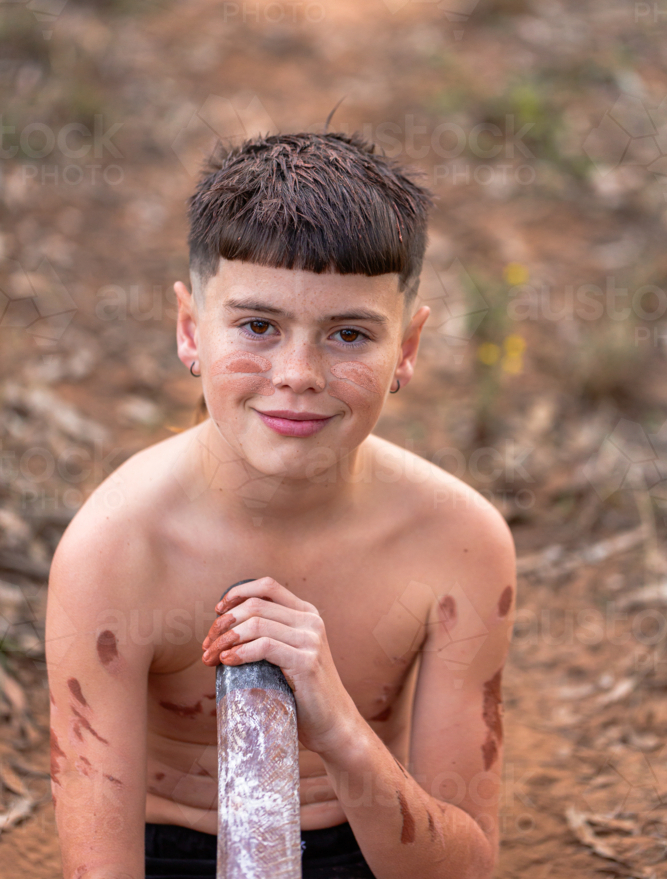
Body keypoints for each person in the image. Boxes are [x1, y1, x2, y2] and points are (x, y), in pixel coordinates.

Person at [46, 132, 516, 879]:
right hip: (172, 849)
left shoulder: (458, 542)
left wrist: (337, 727)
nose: (297, 374)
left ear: (407, 347)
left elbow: (462, 867)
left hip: (372, 839)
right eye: (258, 326)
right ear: (190, 329)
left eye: (349, 334)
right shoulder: (116, 548)